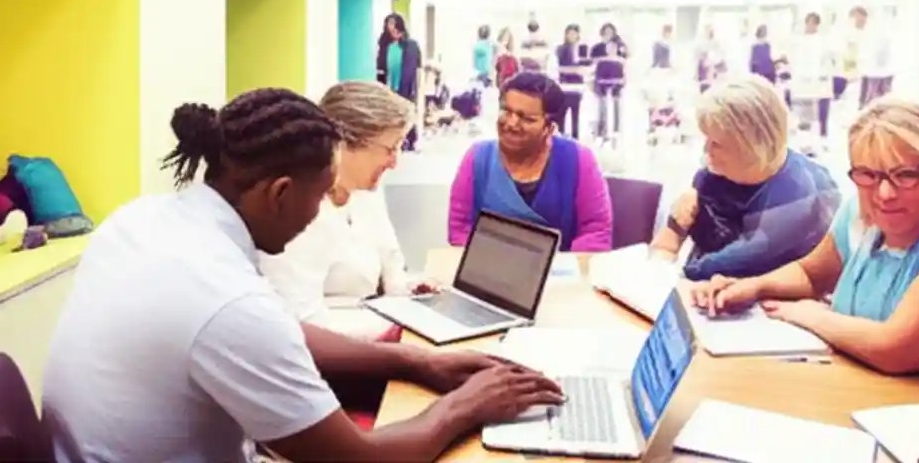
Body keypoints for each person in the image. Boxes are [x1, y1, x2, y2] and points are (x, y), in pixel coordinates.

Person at [42, 89, 563, 463]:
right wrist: (464, 406)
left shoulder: (143, 219)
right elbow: (358, 461)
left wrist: (416, 360)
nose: (320, 212)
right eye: (320, 197)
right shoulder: (227, 301)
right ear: (281, 193)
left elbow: (275, 327)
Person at [691, 98, 919, 410]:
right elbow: (812, 274)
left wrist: (811, 315)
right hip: (888, 391)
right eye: (868, 174)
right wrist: (751, 286)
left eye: (905, 175)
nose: (884, 193)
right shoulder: (862, 210)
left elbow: (897, 350)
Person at [260, 82, 432, 339]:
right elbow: (305, 326)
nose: (395, 162)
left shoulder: (366, 191)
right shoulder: (298, 214)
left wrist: (410, 291)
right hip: (337, 357)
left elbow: (391, 262)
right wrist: (399, 327)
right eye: (391, 148)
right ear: (343, 143)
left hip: (377, 332)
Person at [649, 76, 840, 280]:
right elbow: (667, 242)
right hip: (707, 297)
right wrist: (662, 261)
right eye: (707, 139)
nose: (707, 150)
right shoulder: (717, 173)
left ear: (751, 146)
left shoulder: (801, 193)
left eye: (717, 143)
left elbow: (729, 266)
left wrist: (674, 278)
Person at [447, 72, 612, 252]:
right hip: (489, 272)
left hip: (560, 273)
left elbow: (595, 230)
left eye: (526, 118)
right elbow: (460, 228)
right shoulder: (477, 158)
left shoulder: (579, 160)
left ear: (549, 128)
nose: (511, 123)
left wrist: (566, 269)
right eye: (506, 111)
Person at [787, 12, 835, 149]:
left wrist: (824, 74)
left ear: (816, 24)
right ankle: (806, 143)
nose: (809, 26)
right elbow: (795, 62)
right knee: (804, 114)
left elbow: (828, 61)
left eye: (812, 23)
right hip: (803, 83)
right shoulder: (799, 42)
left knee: (822, 111)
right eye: (807, 23)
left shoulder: (823, 41)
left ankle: (823, 137)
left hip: (819, 81)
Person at [376, 13, 423, 152]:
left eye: (393, 23)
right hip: (389, 85)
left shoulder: (410, 45)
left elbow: (417, 67)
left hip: (406, 86)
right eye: (388, 24)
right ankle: (394, 141)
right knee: (391, 114)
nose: (391, 27)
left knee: (406, 112)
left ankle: (409, 139)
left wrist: (417, 86)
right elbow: (381, 67)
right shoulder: (385, 46)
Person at [849, 6, 894, 107]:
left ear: (860, 16)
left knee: (875, 102)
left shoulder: (875, 30)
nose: (854, 23)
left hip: (878, 73)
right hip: (870, 72)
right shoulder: (865, 31)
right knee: (866, 103)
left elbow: (879, 52)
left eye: (854, 19)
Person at [590, 23, 628, 142]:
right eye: (606, 32)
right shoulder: (596, 48)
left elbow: (625, 61)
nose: (608, 34)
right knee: (602, 105)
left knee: (616, 104)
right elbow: (591, 64)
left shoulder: (620, 46)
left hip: (616, 79)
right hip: (600, 79)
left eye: (610, 32)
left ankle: (616, 130)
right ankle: (602, 130)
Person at [554, 24, 589, 140]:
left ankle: (575, 139)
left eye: (575, 33)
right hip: (565, 85)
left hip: (577, 86)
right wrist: (575, 70)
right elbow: (561, 67)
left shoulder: (582, 49)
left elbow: (586, 66)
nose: (572, 36)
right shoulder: (561, 49)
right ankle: (561, 138)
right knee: (561, 114)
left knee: (576, 115)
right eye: (570, 33)